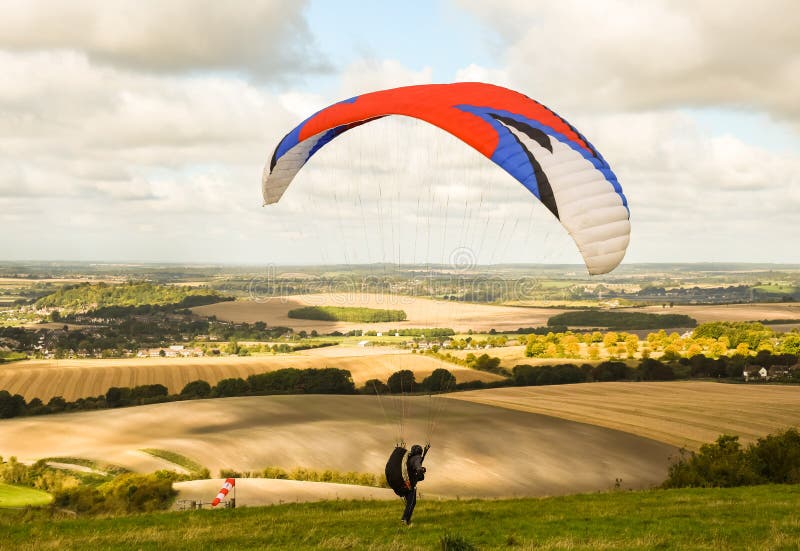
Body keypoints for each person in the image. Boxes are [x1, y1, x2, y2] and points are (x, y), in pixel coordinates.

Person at [401, 443, 430, 525]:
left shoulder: (410, 458)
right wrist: (421, 470)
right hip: (411, 485)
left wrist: (425, 452)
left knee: (409, 502)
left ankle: (406, 519)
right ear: (419, 451)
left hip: (405, 483)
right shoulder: (417, 458)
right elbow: (418, 466)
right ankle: (405, 519)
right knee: (412, 502)